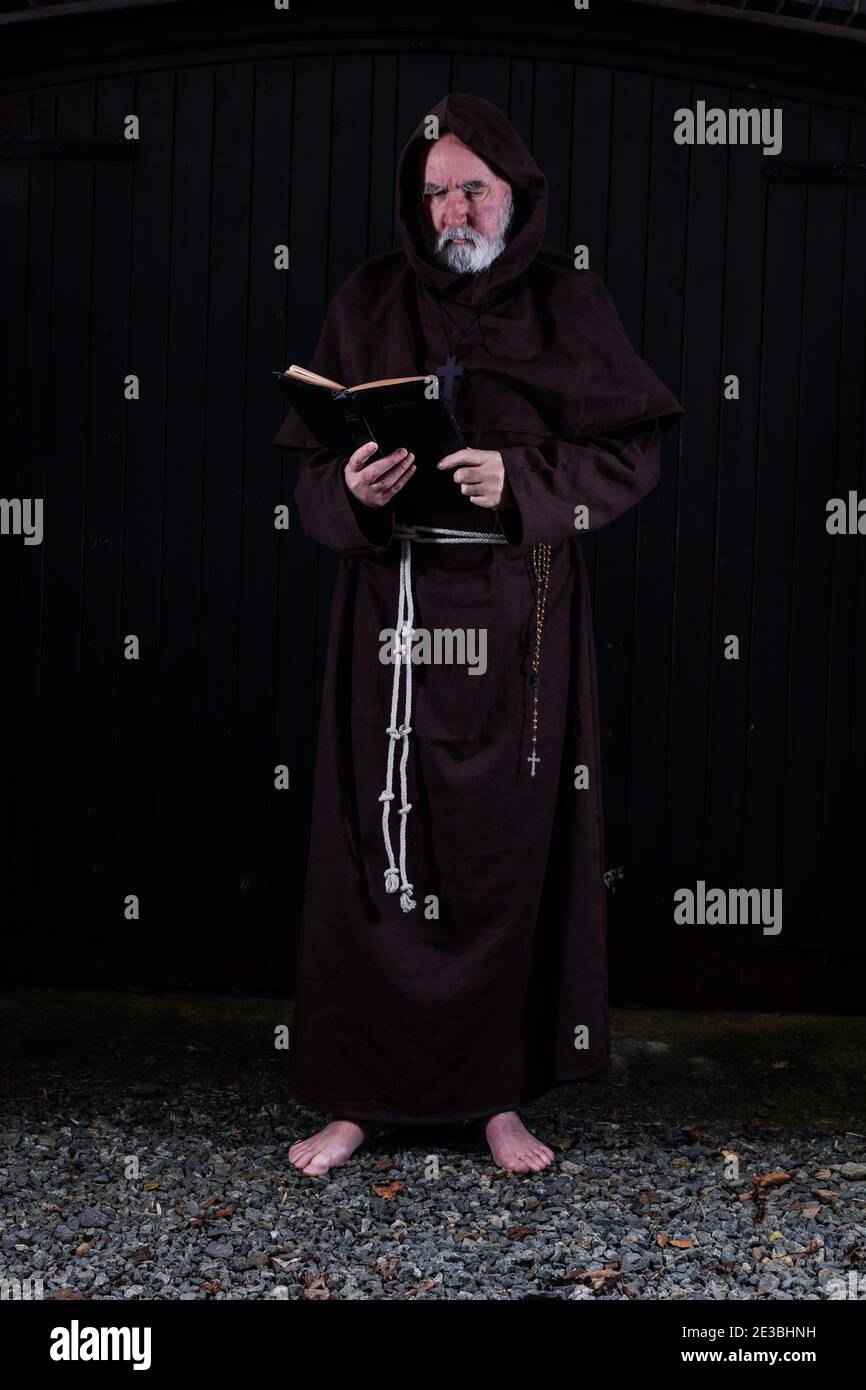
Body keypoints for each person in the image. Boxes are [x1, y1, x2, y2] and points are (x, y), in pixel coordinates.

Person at [272, 93, 683, 1176]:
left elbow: (630, 459)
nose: (453, 206)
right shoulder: (367, 298)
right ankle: (356, 1098)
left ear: (515, 193)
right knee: (373, 852)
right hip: (388, 621)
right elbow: (308, 478)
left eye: (473, 186)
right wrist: (354, 488)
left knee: (506, 847)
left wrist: (522, 481)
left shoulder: (568, 303)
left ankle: (497, 1098)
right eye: (435, 190)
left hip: (520, 623)